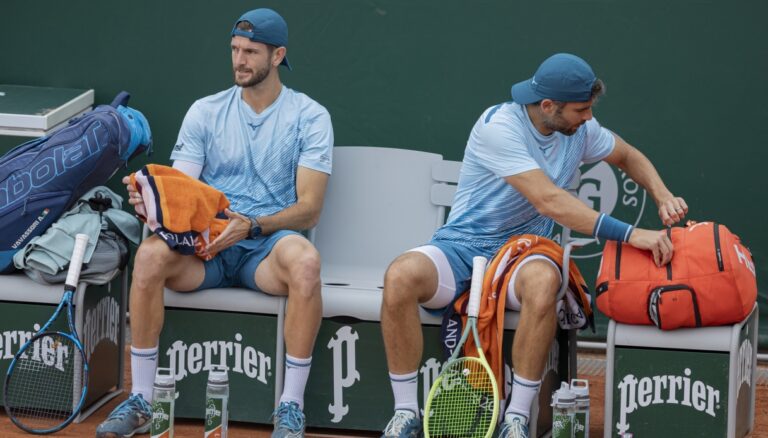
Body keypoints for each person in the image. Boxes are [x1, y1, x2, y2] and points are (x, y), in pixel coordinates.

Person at [380, 53, 686, 438]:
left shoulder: (581, 131)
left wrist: (661, 194)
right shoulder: (500, 127)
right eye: (582, 110)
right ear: (548, 106)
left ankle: (516, 419)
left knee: (544, 284)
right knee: (400, 276)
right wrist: (631, 234)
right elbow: (549, 200)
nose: (589, 117)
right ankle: (406, 414)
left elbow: (626, 155)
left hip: (523, 252)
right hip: (461, 247)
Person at [96, 8, 333, 438]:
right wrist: (153, 201)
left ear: (277, 55)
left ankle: (290, 407)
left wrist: (251, 226)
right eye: (235, 50)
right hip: (205, 248)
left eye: (250, 52)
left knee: (306, 263)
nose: (239, 60)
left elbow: (310, 208)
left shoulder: (310, 117)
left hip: (265, 245)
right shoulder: (205, 112)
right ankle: (143, 400)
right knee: (149, 256)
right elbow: (182, 192)